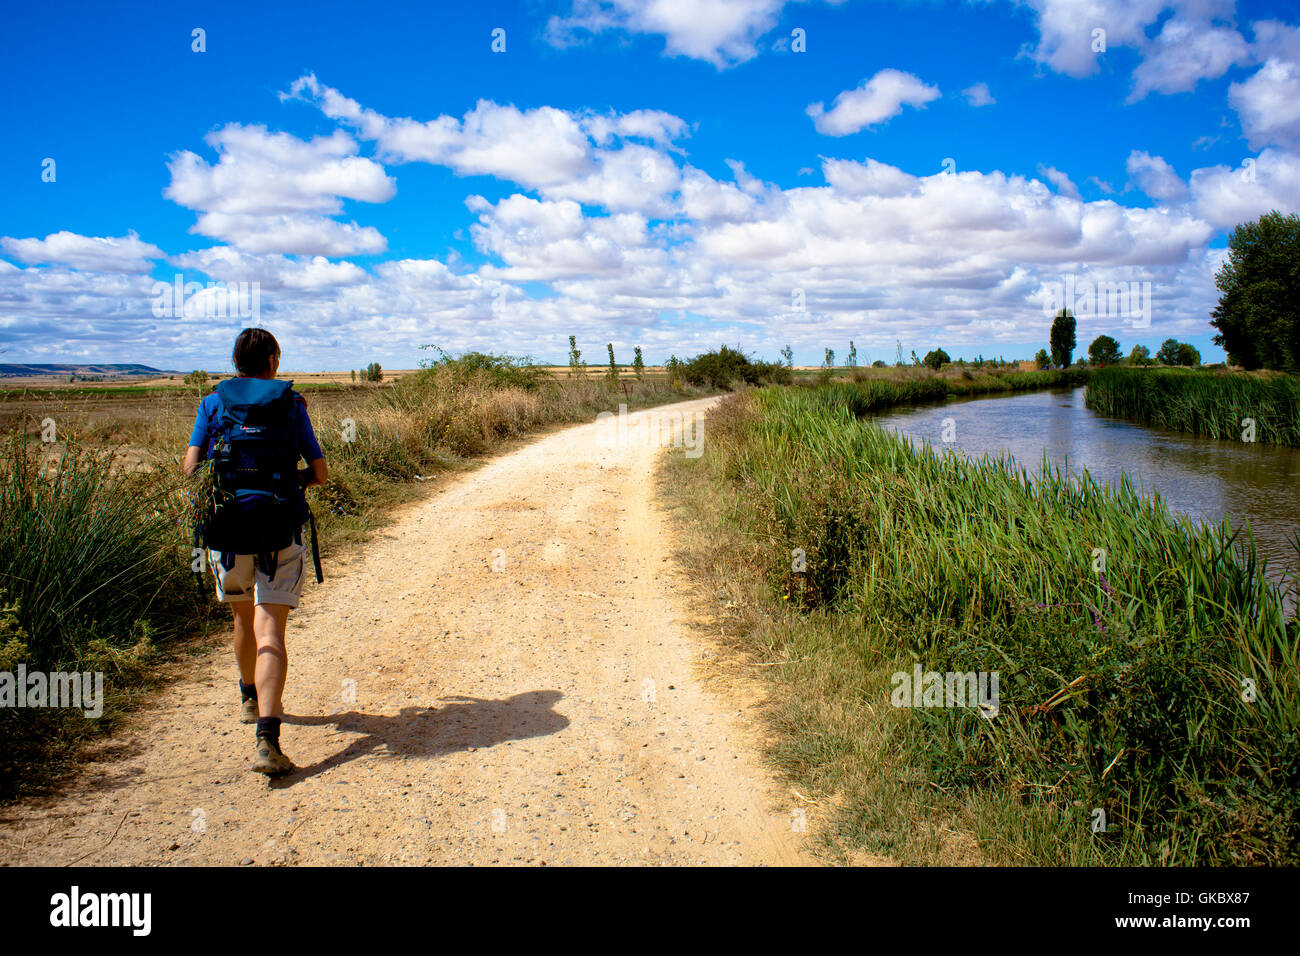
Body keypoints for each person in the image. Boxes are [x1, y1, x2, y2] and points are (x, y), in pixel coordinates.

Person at [183, 328, 328, 776]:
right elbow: (320, 473)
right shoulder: (291, 403)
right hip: (279, 531)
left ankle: (248, 697)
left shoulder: (212, 403)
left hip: (226, 534)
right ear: (272, 361)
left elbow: (191, 469)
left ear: (235, 362)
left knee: (242, 617)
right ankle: (268, 738)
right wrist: (286, 483)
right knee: (272, 632)